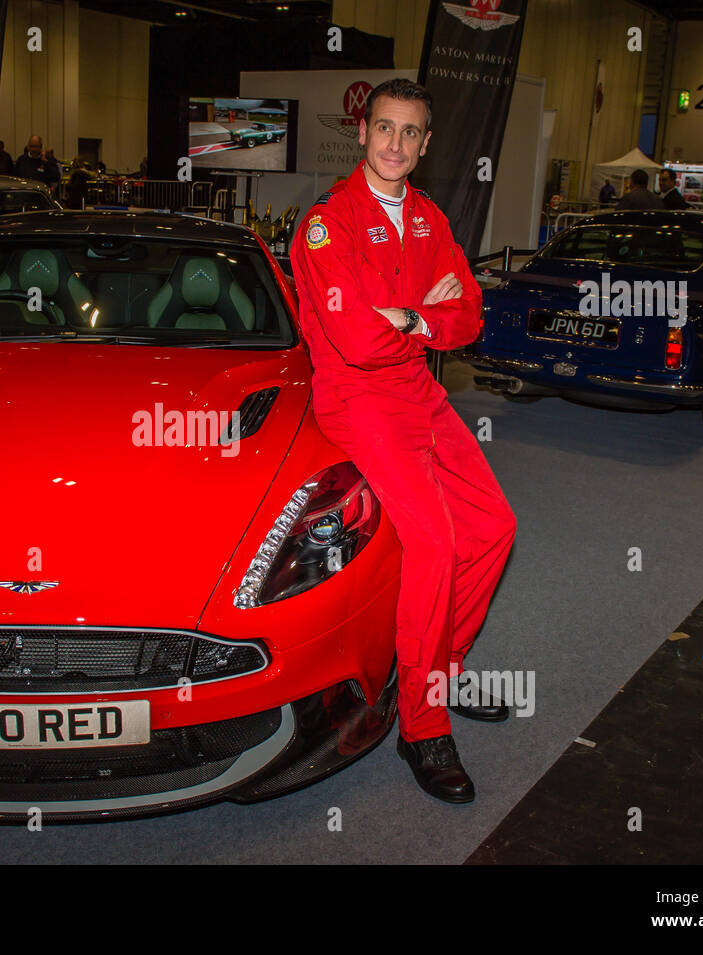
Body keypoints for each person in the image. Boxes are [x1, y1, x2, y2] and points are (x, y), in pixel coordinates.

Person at [290, 78, 516, 805]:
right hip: (360, 402)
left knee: (493, 528)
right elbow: (354, 341)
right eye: (383, 128)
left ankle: (436, 671)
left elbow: (471, 316)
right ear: (362, 132)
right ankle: (423, 724)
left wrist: (408, 319)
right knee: (436, 543)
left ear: (424, 143)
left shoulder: (429, 219)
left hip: (419, 390)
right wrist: (427, 317)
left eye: (409, 132)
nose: (394, 143)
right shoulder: (329, 223)